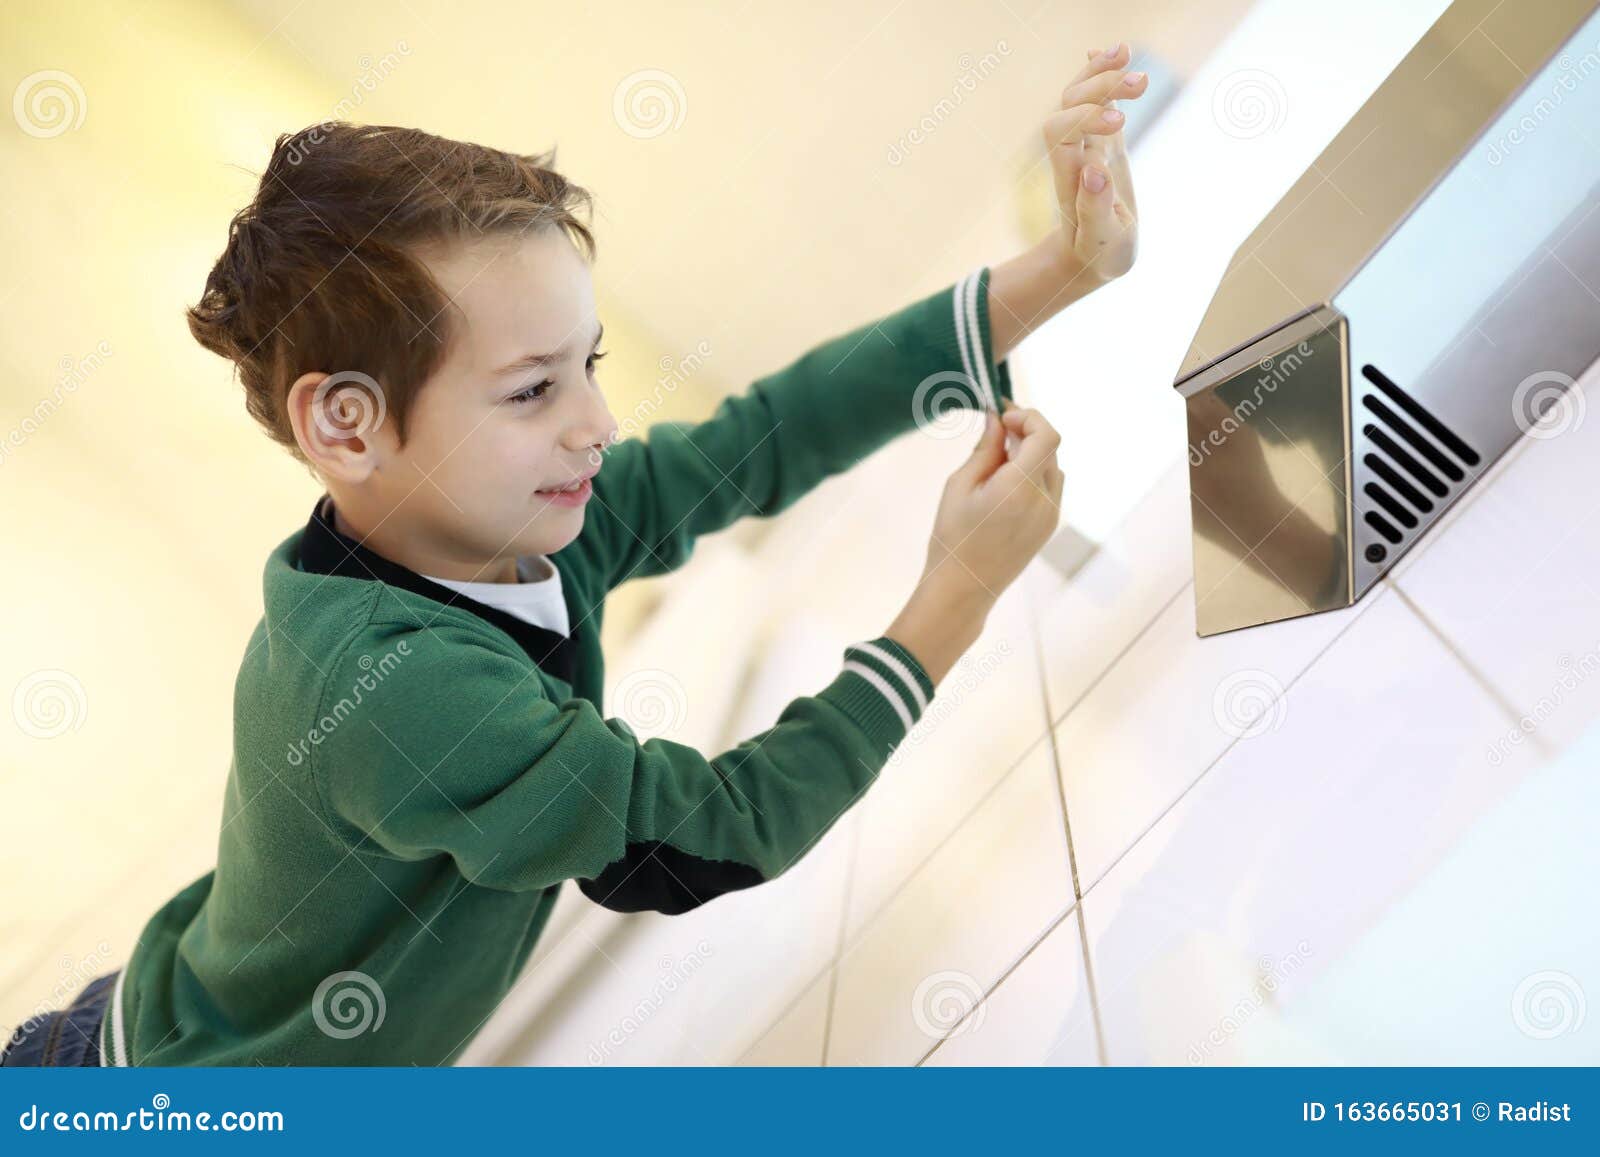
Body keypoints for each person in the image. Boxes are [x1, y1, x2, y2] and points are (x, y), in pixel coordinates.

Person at [3, 42, 1144, 1067]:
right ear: (346, 424)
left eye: (587, 364)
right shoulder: (397, 684)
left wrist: (1062, 268)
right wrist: (956, 593)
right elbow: (702, 837)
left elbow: (763, 437)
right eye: (534, 388)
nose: (595, 422)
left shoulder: (493, 531)